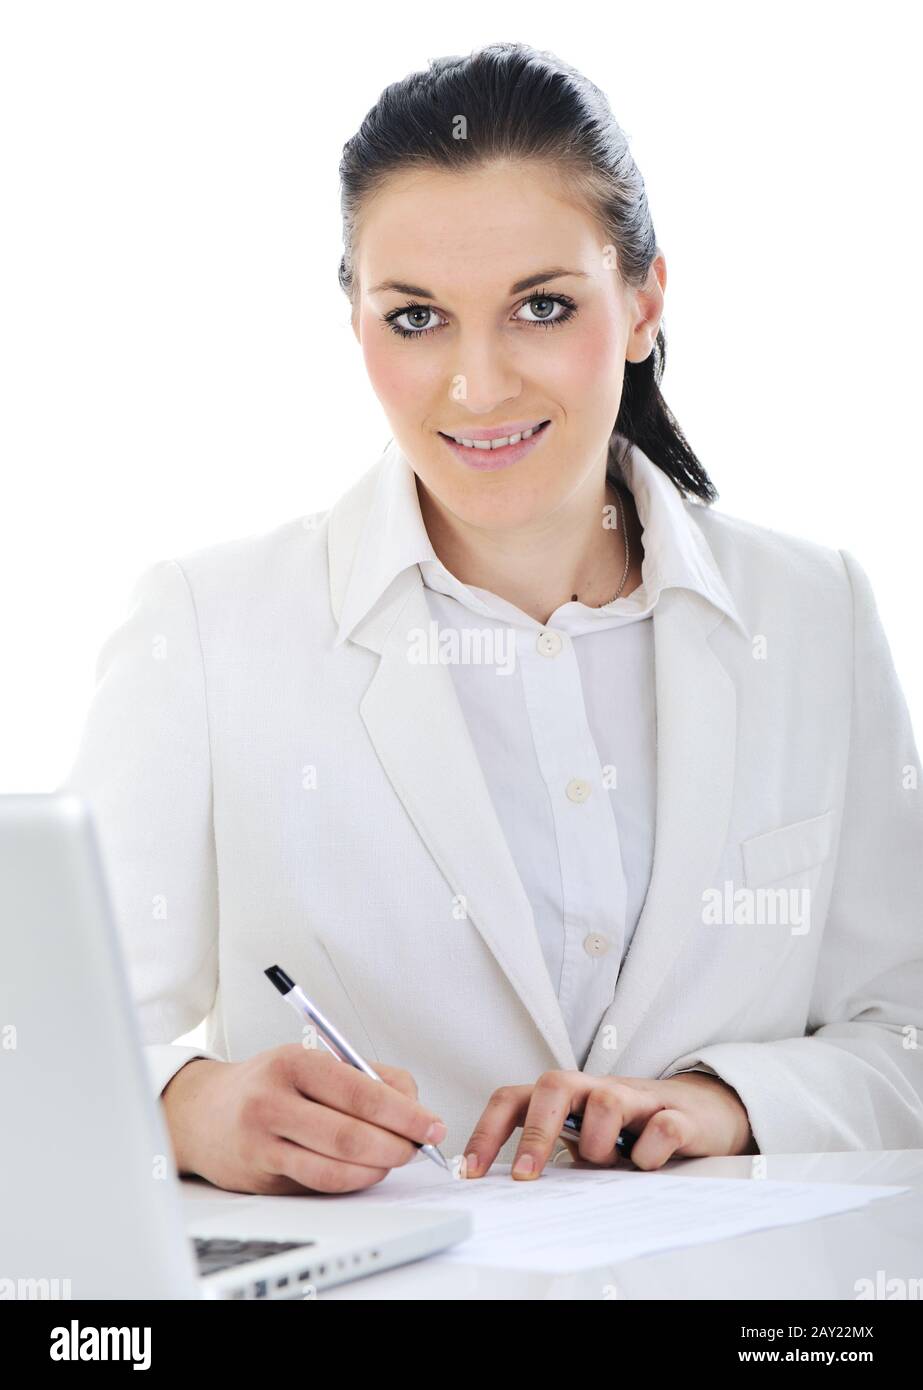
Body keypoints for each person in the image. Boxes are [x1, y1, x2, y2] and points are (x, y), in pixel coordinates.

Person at [59, 41, 923, 1195]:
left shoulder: (813, 614)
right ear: (353, 318)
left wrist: (722, 1100)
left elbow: (903, 1034)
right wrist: (185, 1106)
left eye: (541, 306)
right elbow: (44, 1050)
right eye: (415, 318)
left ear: (642, 303)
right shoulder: (207, 629)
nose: (477, 385)